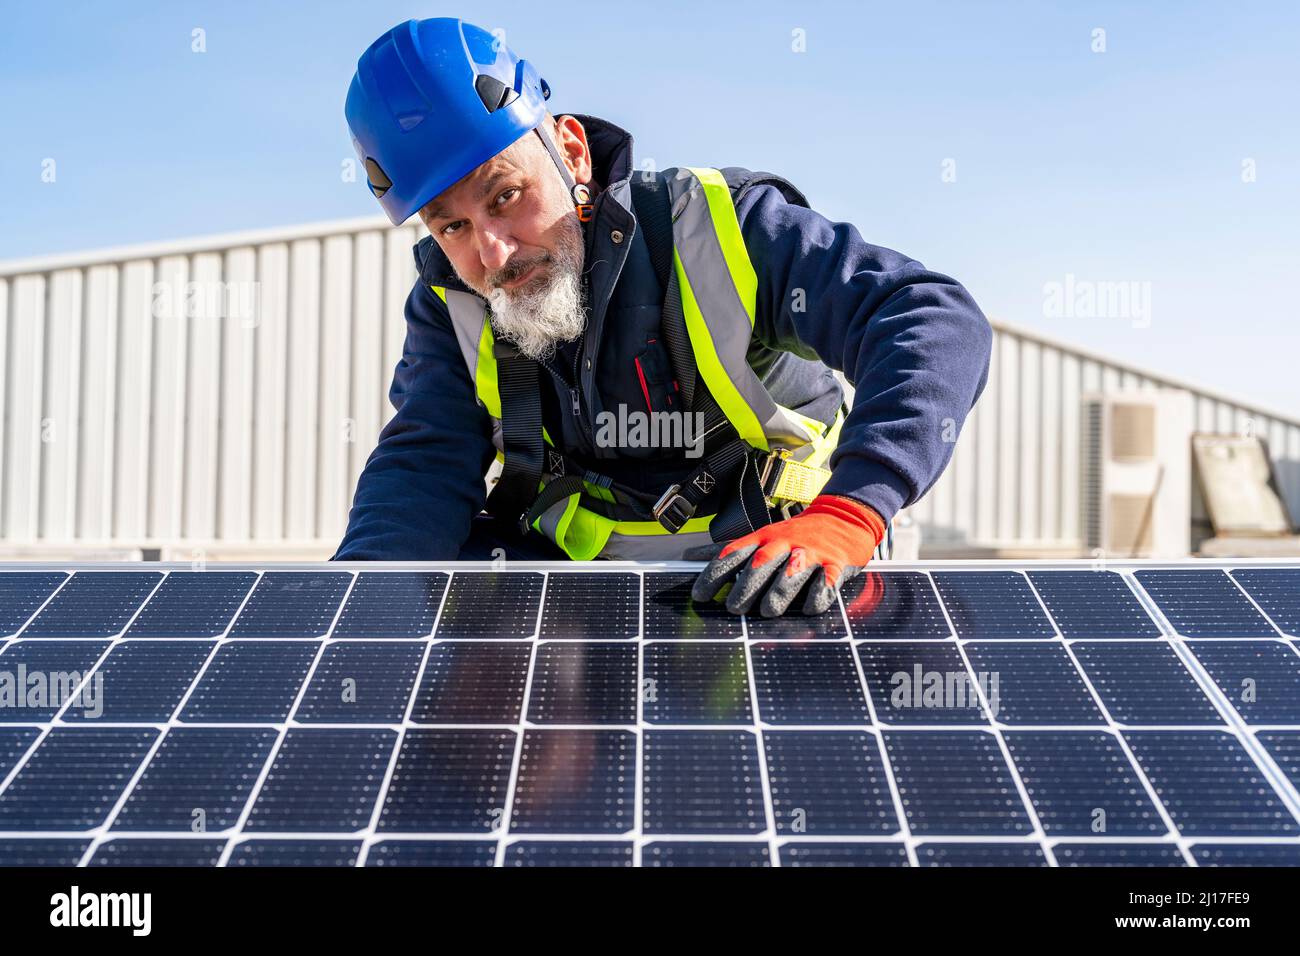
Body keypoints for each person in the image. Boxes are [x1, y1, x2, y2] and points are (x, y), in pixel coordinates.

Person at [334, 17, 992, 617]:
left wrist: (850, 514)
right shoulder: (453, 297)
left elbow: (929, 318)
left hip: (774, 564)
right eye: (451, 226)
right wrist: (353, 612)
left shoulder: (719, 228)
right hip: (577, 599)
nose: (493, 252)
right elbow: (426, 462)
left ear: (572, 152)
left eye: (506, 194)